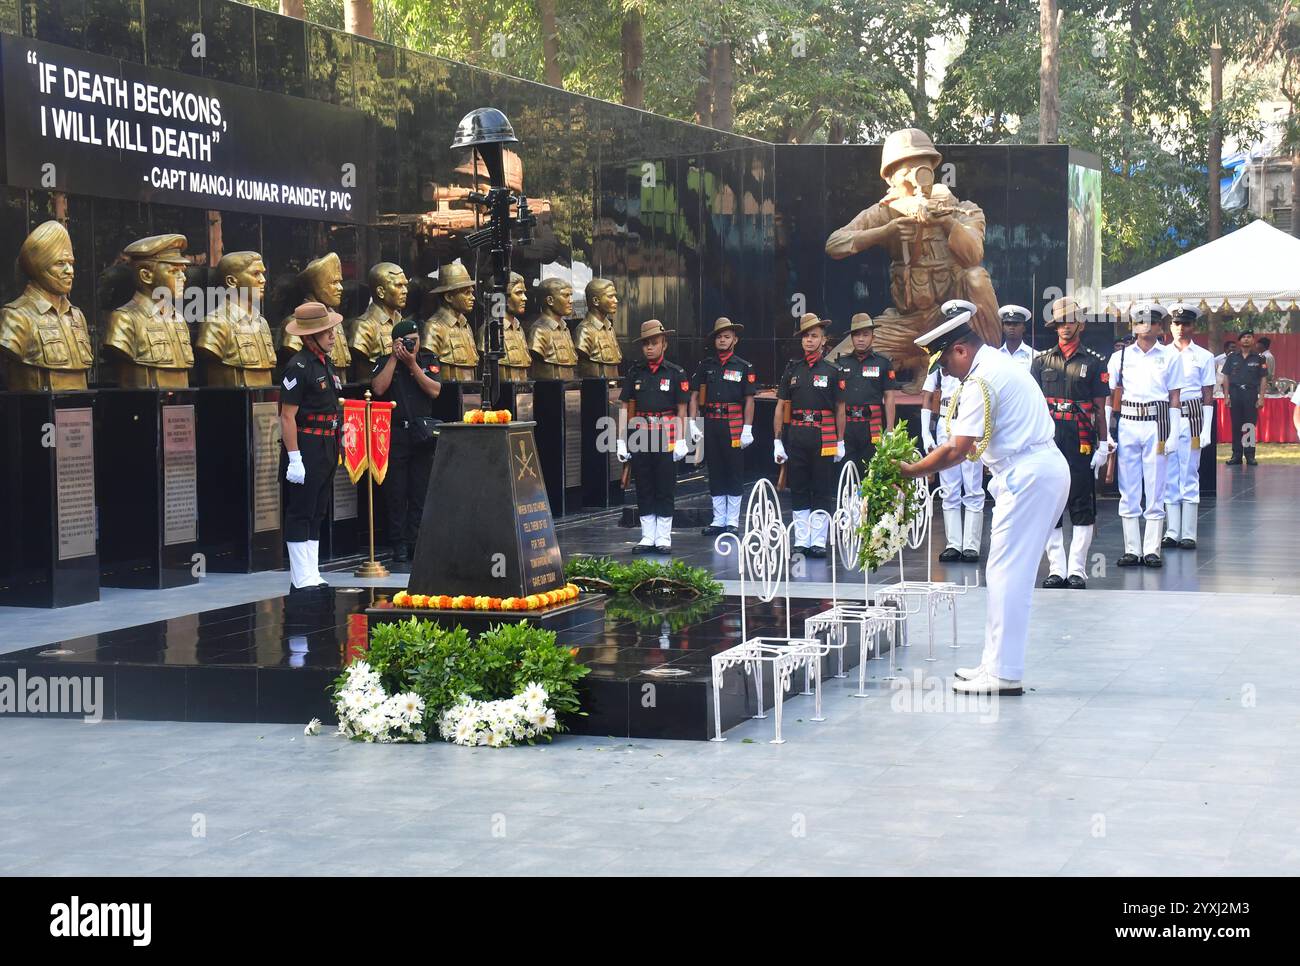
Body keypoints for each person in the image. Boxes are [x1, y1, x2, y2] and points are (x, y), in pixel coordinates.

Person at [897, 308, 1069, 695]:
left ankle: (1004, 672)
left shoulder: (981, 379)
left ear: (960, 350)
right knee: (1004, 571)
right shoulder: (993, 364)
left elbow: (958, 449)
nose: (945, 373)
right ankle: (995, 664)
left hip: (1029, 474)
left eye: (944, 364)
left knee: (1009, 573)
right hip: (1030, 470)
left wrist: (911, 471)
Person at [1031, 297, 1110, 589]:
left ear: (1081, 324)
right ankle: (1056, 568)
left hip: (1081, 440)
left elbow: (1100, 408)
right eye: (1060, 322)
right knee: (1050, 504)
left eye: (1070, 321)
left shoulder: (1093, 362)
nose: (1065, 327)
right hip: (1049, 441)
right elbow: (1032, 407)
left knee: (1081, 504)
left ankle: (1077, 569)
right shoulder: (1040, 362)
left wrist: (1104, 443)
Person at [1107, 303, 1181, 568]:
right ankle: (1131, 549)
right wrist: (1107, 433)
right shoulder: (1121, 357)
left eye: (1151, 321)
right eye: (1140, 321)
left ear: (1161, 326)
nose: (1145, 326)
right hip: (1128, 421)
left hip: (1157, 422)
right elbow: (1110, 394)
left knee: (1155, 484)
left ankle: (1151, 549)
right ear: (1133, 326)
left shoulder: (1170, 355)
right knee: (1128, 487)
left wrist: (1173, 433)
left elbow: (1175, 397)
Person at [279, 302, 345, 593]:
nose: (332, 335)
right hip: (307, 443)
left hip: (327, 443)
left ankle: (312, 571)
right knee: (301, 510)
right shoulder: (299, 366)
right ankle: (299, 575)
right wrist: (294, 457)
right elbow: (287, 416)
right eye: (325, 331)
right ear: (308, 337)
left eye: (330, 329)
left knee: (319, 509)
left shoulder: (324, 363)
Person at [774, 313, 846, 558]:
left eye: (814, 336)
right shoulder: (792, 370)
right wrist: (777, 440)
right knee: (799, 488)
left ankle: (818, 540)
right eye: (805, 336)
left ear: (823, 340)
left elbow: (840, 408)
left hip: (824, 437)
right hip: (797, 435)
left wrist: (840, 441)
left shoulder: (833, 371)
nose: (809, 340)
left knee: (821, 488)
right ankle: (802, 539)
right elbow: (781, 405)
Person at [370, 319, 442, 563]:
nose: (413, 344)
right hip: (395, 435)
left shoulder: (428, 360)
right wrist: (394, 358)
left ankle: (416, 541)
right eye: (407, 341)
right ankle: (398, 543)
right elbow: (378, 389)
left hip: (421, 434)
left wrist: (413, 365)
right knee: (396, 491)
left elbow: (434, 390)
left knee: (420, 491)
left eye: (416, 339)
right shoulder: (385, 361)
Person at [617, 320, 690, 553]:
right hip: (640, 434)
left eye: (654, 343)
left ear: (664, 344)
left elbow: (682, 409)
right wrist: (621, 439)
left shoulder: (676, 373)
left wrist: (681, 439)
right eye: (646, 343)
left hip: (666, 433)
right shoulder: (635, 372)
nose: (650, 347)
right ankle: (647, 536)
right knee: (644, 486)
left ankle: (663, 537)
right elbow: (625, 408)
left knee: (665, 486)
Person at [921, 302, 986, 563]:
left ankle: (971, 545)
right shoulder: (939, 357)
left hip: (970, 421)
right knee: (949, 488)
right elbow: (927, 396)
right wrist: (925, 432)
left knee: (973, 487)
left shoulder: (975, 354)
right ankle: (953, 543)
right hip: (947, 421)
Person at [689, 317, 757, 536]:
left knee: (734, 471)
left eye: (726, 336)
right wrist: (692, 422)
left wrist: (748, 428)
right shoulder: (705, 366)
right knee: (715, 470)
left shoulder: (743, 366)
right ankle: (718, 520)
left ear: (734, 339)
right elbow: (694, 395)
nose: (722, 340)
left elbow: (749, 400)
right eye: (719, 337)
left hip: (734, 423)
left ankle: (733, 521)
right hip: (711, 422)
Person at [1162, 304, 1216, 549]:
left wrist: (1206, 429)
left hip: (1193, 415)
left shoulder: (1204, 356)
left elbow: (1208, 394)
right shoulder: (1161, 354)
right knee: (1168, 474)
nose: (1180, 328)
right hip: (1166, 416)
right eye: (1176, 323)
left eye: (1185, 323)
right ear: (1170, 326)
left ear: (1194, 326)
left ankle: (1189, 533)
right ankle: (1172, 531)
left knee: (1190, 472)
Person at [836, 312, 898, 471]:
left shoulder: (883, 363)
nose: (861, 339)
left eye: (865, 334)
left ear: (873, 337)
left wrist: (890, 431)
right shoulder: (840, 363)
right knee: (847, 472)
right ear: (851, 338)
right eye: (857, 335)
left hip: (872, 425)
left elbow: (889, 397)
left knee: (871, 473)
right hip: (847, 426)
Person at [1219, 330, 1268, 466]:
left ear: (1253, 340)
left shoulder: (1259, 358)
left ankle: (1250, 455)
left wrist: (1261, 397)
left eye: (1249, 337)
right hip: (1235, 394)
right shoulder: (1232, 357)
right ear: (1239, 341)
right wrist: (1226, 396)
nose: (1246, 339)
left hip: (1251, 394)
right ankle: (1236, 455)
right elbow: (1226, 377)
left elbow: (1264, 378)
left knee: (1249, 426)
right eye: (1244, 337)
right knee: (1236, 425)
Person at [997, 304, 1037, 369]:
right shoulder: (996, 356)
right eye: (1008, 324)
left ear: (1024, 328)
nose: (1011, 327)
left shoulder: (1034, 356)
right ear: (1003, 328)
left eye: (1016, 324)